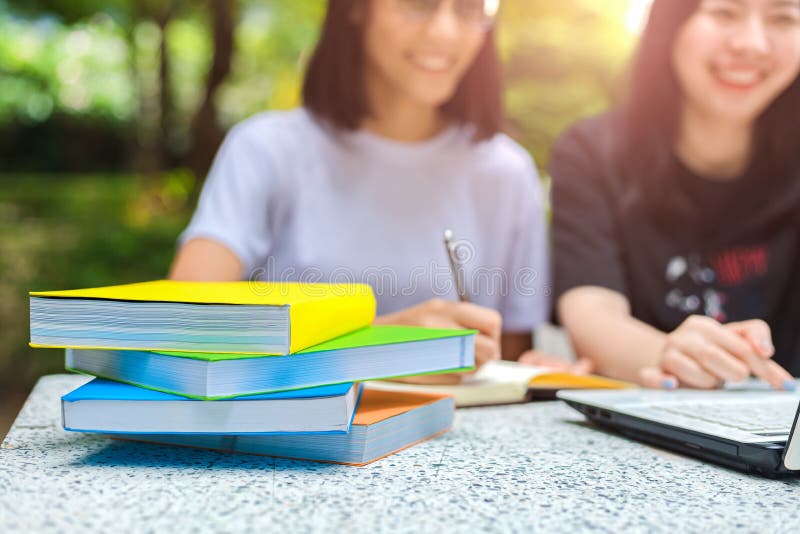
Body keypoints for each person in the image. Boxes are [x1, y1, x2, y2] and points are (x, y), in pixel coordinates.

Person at [169, 0, 550, 378]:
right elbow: (181, 327)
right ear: (355, 9)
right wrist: (385, 345)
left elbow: (511, 359)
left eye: (468, 8)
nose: (443, 31)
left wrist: (544, 373)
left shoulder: (507, 171)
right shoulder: (266, 148)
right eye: (419, 4)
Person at [550, 0, 800, 390]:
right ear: (671, 23)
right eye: (725, 12)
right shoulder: (591, 152)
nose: (752, 44)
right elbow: (592, 312)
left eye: (783, 18)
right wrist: (670, 354)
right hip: (645, 419)